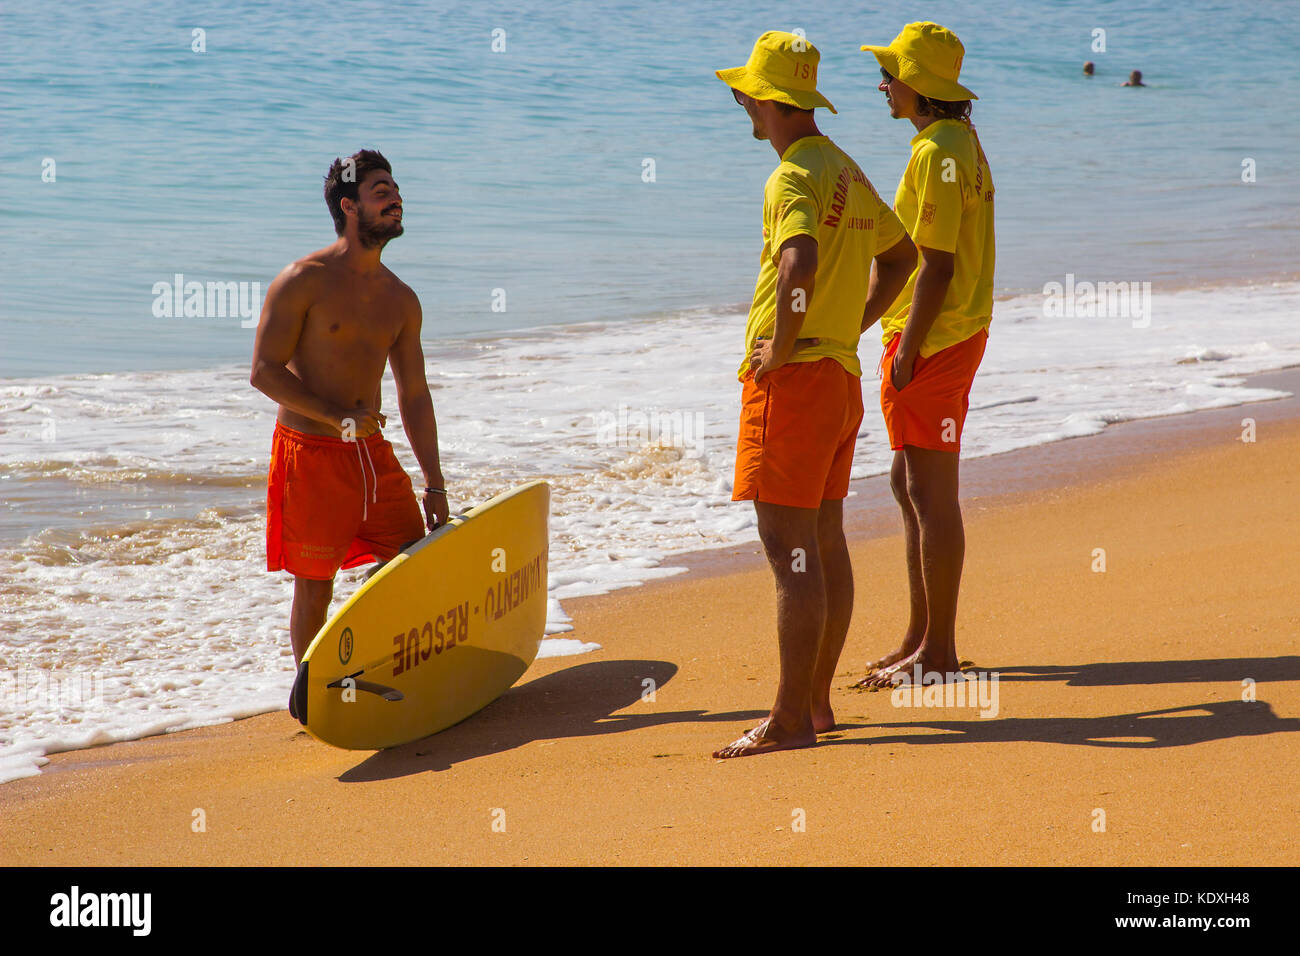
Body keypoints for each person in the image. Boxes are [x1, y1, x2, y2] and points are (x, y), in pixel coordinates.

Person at [712, 32, 917, 757]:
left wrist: (787, 343)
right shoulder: (845, 168)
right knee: (824, 542)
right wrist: (849, 326)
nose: (741, 106)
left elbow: (798, 264)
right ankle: (816, 704)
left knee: (788, 551)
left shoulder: (792, 175)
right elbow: (902, 255)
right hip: (838, 378)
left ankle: (790, 719)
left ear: (764, 102)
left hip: (796, 381)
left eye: (744, 96)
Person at [250, 149, 449, 713]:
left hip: (370, 452)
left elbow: (414, 395)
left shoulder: (400, 299)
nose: (396, 199)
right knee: (315, 583)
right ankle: (318, 698)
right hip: (311, 452)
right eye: (381, 191)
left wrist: (434, 483)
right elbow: (264, 372)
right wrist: (333, 417)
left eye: (396, 190)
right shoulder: (302, 280)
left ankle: (379, 669)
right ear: (349, 206)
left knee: (410, 560)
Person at [856, 22, 995, 689]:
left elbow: (936, 265)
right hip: (951, 329)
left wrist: (907, 347)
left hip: (935, 336)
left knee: (930, 494)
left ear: (917, 85)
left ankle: (938, 652)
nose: (882, 86)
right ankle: (920, 635)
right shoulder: (959, 141)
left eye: (890, 76)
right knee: (906, 484)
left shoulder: (938, 151)